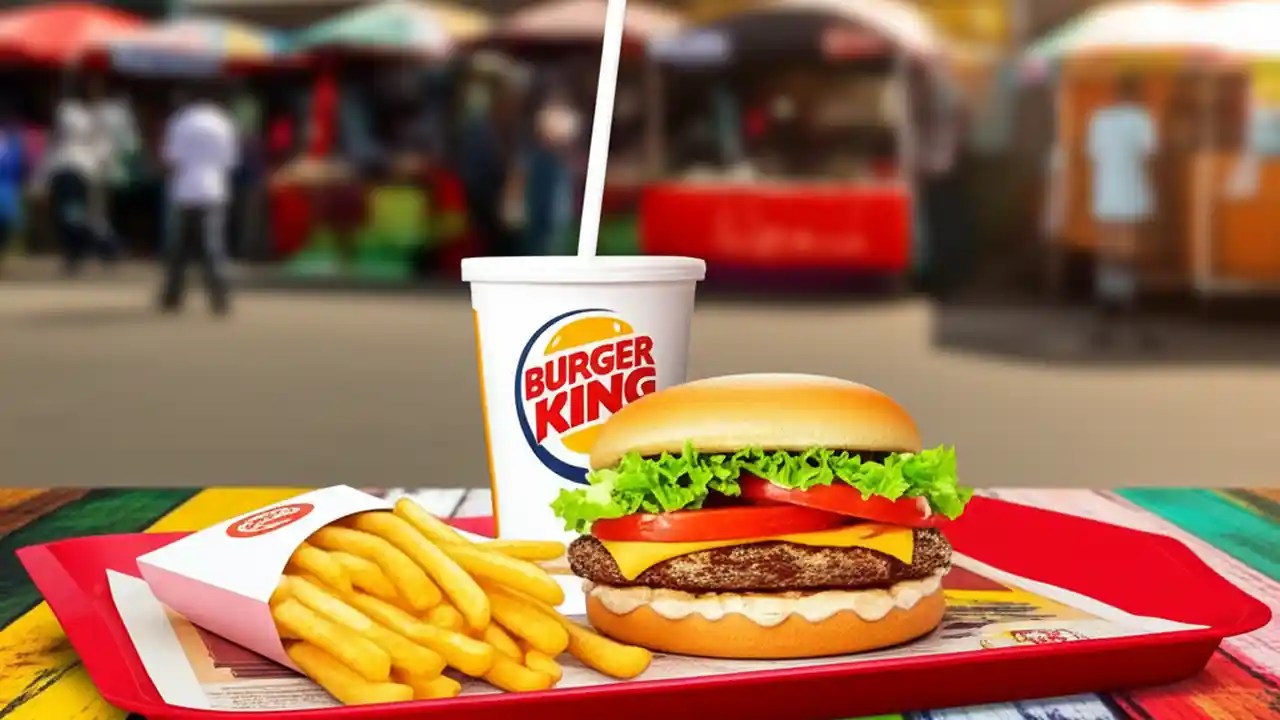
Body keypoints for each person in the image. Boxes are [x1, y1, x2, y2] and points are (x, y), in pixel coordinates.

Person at [1086, 73, 1159, 349]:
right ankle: (1131, 310)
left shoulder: (1099, 119)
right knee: (1128, 252)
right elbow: (1149, 153)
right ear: (1138, 94)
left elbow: (1093, 154)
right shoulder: (1142, 119)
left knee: (1108, 251)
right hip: (1132, 193)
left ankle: (1105, 312)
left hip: (1105, 194)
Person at [159, 85, 238, 315]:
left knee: (179, 248)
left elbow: (171, 157)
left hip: (185, 189)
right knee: (213, 246)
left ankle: (172, 295)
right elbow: (230, 160)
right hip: (214, 189)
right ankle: (220, 295)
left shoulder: (181, 121)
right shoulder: (224, 122)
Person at [43, 93, 109, 274]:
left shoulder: (75, 114)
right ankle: (78, 254)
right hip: (76, 169)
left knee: (71, 216)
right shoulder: (84, 116)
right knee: (71, 215)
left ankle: (96, 248)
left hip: (74, 170)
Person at [521, 96, 580, 256]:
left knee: (555, 232)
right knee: (539, 236)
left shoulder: (559, 166)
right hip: (540, 185)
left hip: (557, 177)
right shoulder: (538, 160)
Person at [0, 106, 25, 275]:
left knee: (5, 226)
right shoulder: (11, 141)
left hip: (6, 190)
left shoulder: (12, 140)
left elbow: (18, 167)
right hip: (7, 189)